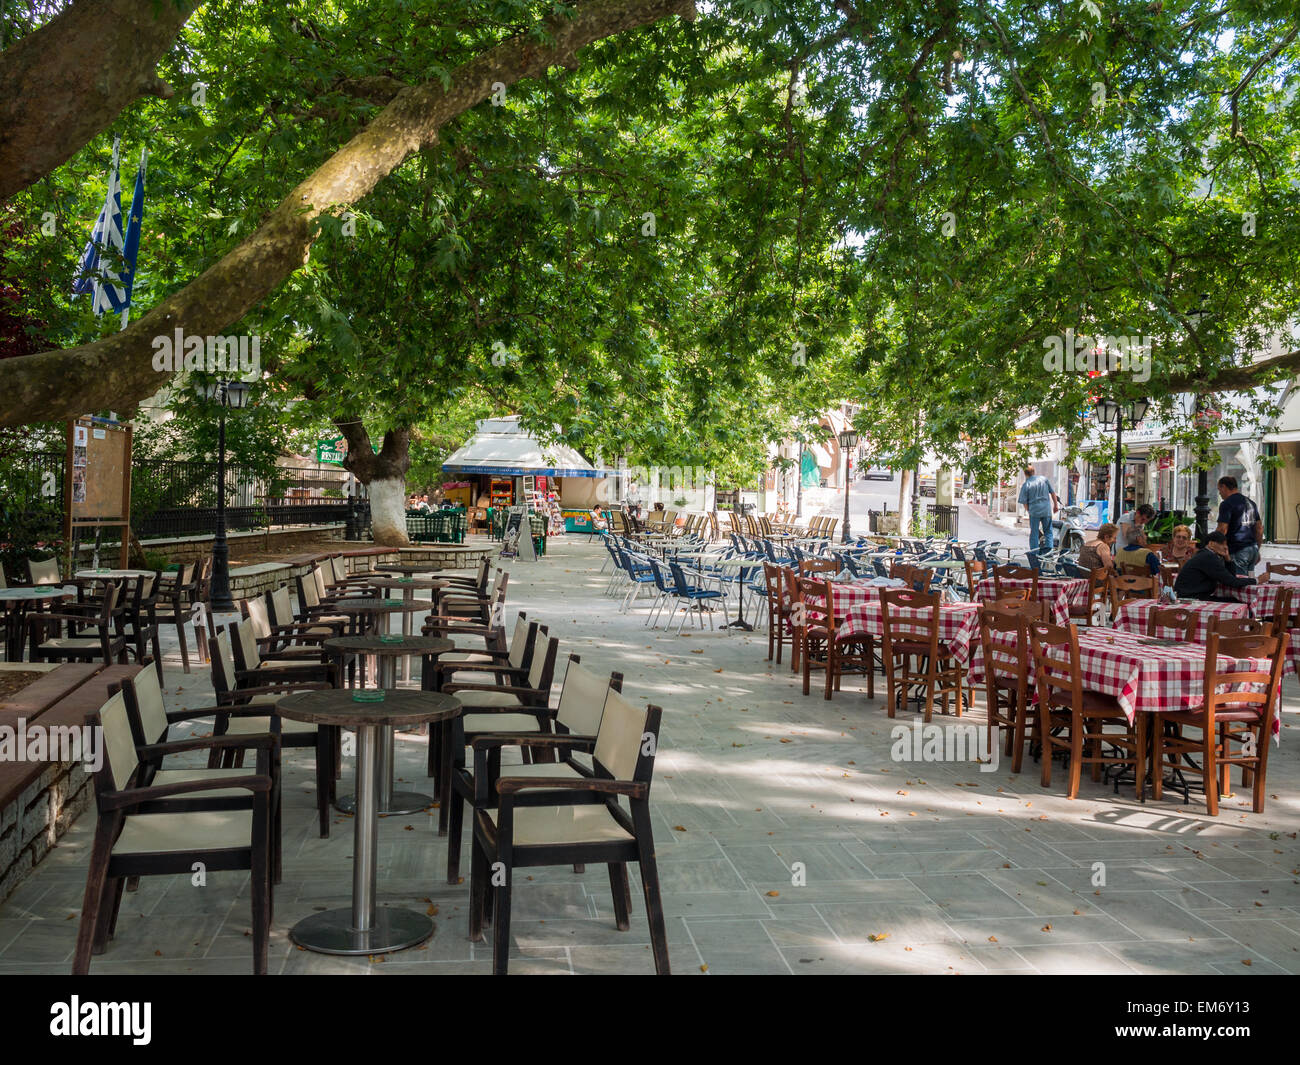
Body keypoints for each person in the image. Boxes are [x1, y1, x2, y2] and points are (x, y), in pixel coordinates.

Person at [1174, 531, 1257, 601]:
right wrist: (1257, 580)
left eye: (1226, 544)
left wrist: (1228, 558)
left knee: (1233, 600)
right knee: (1238, 602)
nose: (1225, 547)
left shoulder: (1206, 554)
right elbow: (1232, 582)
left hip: (1193, 596)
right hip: (1191, 598)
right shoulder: (1208, 557)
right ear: (1211, 544)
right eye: (1222, 544)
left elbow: (1230, 577)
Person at [1215, 475, 1263, 576]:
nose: (1219, 493)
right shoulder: (1251, 503)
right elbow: (1259, 529)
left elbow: (1222, 529)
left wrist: (1213, 546)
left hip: (1237, 550)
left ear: (1224, 487)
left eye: (1219, 489)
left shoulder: (1227, 504)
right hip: (1252, 549)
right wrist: (1257, 549)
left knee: (1238, 583)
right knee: (1249, 581)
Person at [1017, 465, 1059, 555]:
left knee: (1034, 533)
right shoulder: (1044, 479)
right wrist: (1055, 505)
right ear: (1033, 472)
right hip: (1046, 510)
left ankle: (1034, 553)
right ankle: (1048, 553)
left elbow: (1024, 502)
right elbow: (1052, 493)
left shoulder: (1026, 484)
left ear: (1025, 473)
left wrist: (1029, 511)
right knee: (1048, 532)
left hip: (1034, 511)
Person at [1116, 502, 1161, 576]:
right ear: (1137, 512)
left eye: (1146, 521)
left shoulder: (1141, 523)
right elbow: (1127, 536)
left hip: (1132, 553)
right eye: (1142, 519)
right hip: (1122, 551)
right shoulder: (1126, 518)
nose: (1143, 523)